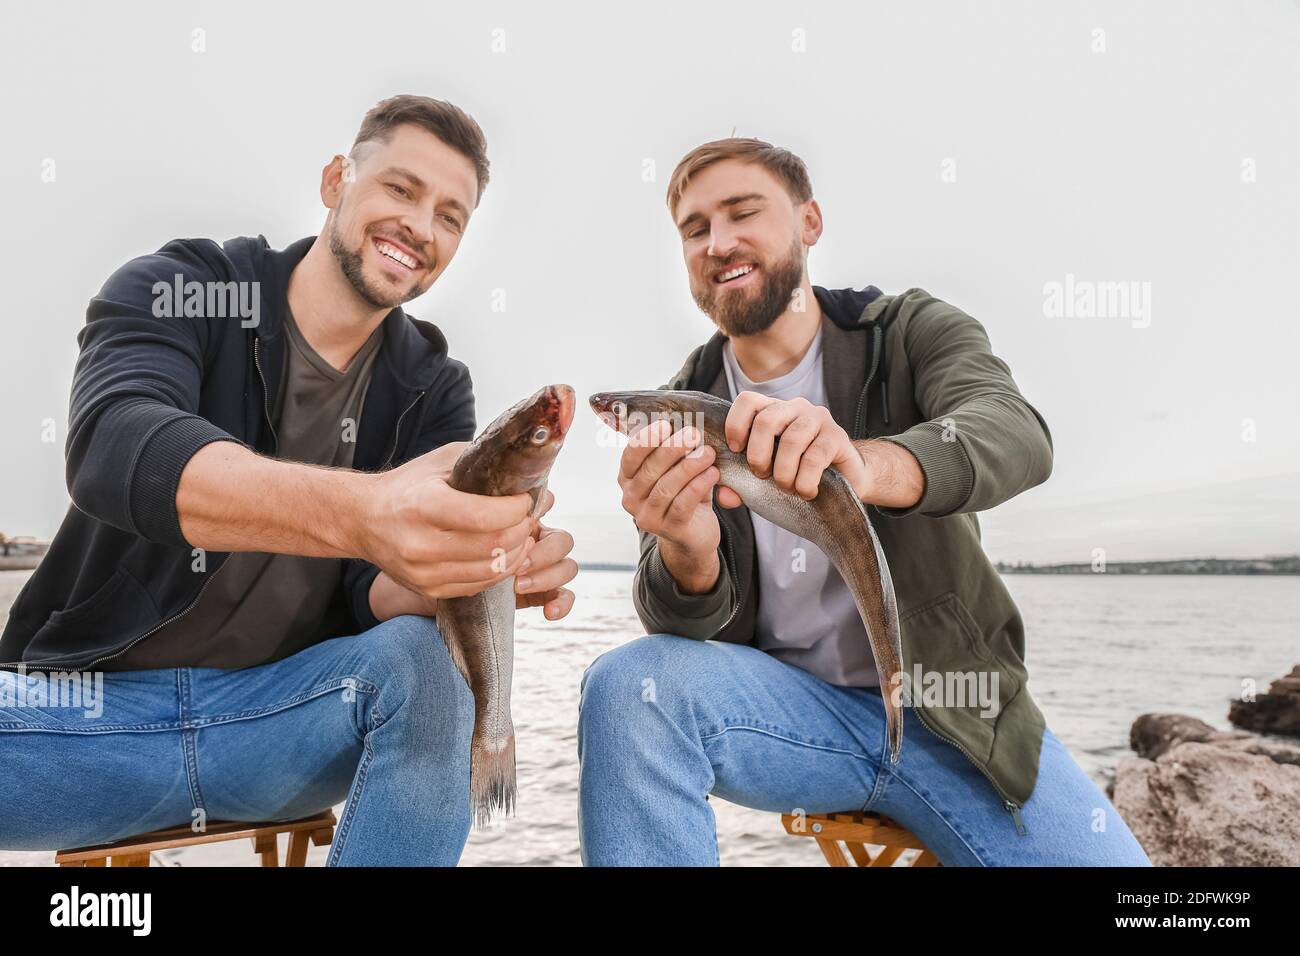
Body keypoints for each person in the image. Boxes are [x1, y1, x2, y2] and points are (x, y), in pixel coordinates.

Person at [0, 95, 577, 866]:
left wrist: (454, 572)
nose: (421, 226)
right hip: (79, 724)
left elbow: (371, 592)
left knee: (423, 660)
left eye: (451, 216)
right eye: (400, 190)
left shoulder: (433, 385)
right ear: (337, 179)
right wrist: (366, 510)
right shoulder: (189, 285)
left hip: (281, 731)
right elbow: (114, 446)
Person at [577, 137, 1151, 866]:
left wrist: (867, 463)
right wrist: (688, 550)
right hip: (792, 721)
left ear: (809, 221)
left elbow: (1016, 432)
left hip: (958, 719)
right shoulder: (681, 408)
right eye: (694, 228)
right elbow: (677, 624)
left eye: (742, 212)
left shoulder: (909, 330)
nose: (718, 242)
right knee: (632, 687)